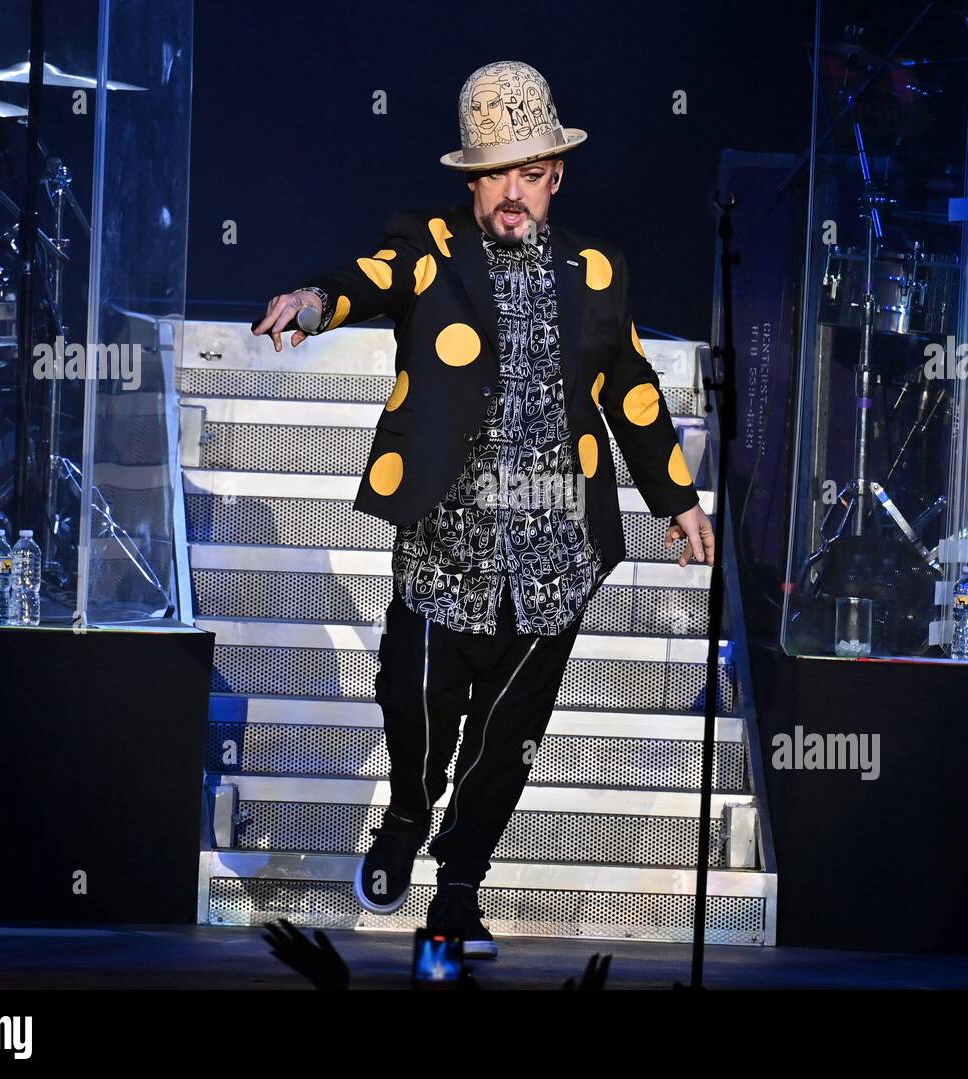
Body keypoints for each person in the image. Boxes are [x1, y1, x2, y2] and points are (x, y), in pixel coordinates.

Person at [252, 60, 714, 959]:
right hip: (445, 538)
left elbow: (631, 386)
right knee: (417, 706)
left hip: (555, 551)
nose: (512, 193)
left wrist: (677, 499)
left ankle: (458, 888)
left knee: (508, 740)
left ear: (556, 175)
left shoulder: (596, 269)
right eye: (495, 173)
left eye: (528, 173)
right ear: (471, 178)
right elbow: (361, 280)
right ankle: (407, 815)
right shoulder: (430, 248)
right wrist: (311, 303)